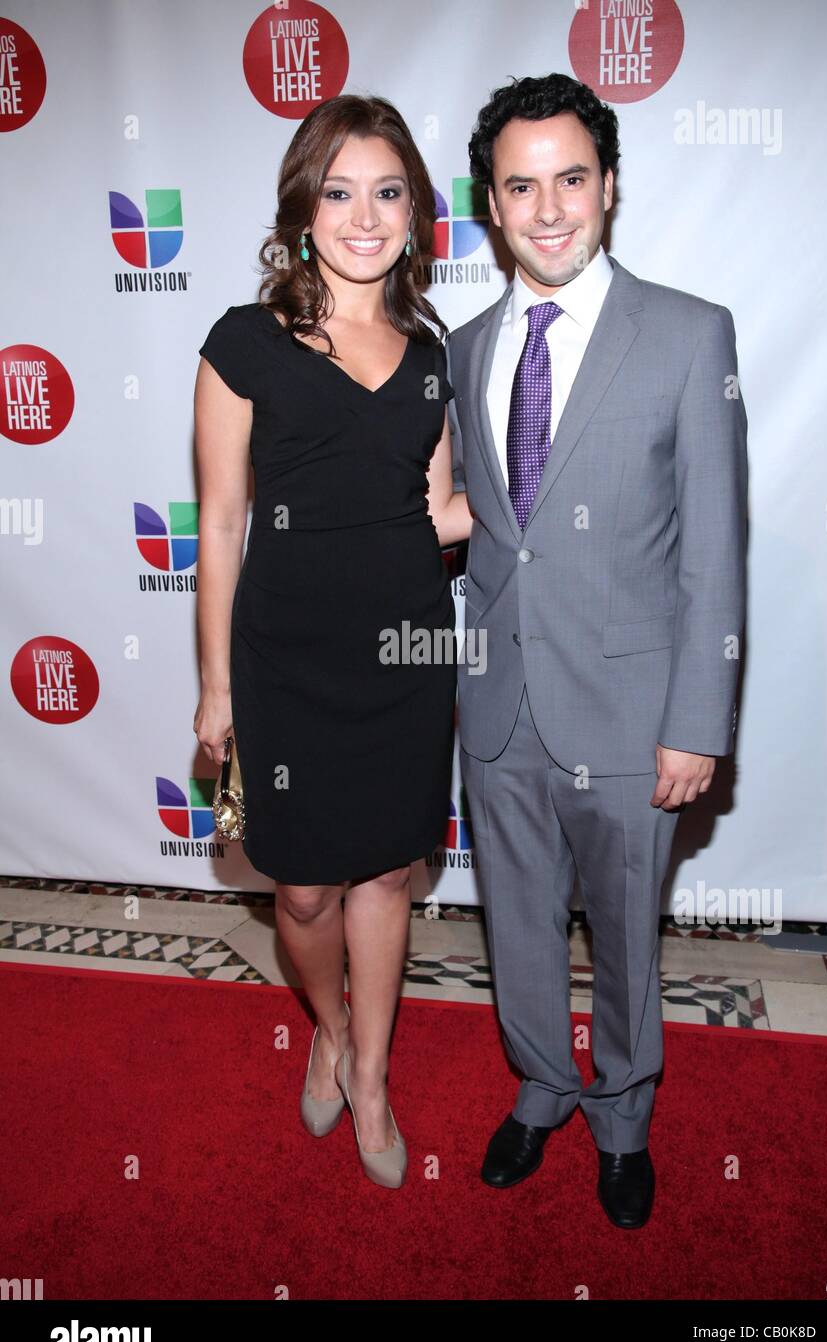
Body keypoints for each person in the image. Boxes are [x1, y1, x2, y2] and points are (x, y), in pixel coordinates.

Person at [445, 73, 747, 1226]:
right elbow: (481, 521)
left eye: (569, 179)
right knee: (515, 925)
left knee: (623, 936)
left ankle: (621, 1114)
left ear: (608, 187)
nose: (547, 209)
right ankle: (540, 1086)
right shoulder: (464, 348)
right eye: (520, 187)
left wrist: (695, 721)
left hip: (630, 714)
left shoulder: (686, 334)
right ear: (491, 203)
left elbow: (712, 548)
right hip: (499, 706)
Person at [193, 94, 472, 1190]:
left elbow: (437, 513)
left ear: (415, 214)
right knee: (303, 891)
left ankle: (371, 1073)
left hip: (405, 655)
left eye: (388, 192)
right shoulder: (244, 342)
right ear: (304, 209)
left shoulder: (431, 355)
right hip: (285, 659)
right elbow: (221, 520)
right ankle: (329, 1024)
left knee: (385, 878)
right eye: (341, 191)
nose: (365, 216)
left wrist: (543, 485)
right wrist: (215, 684)